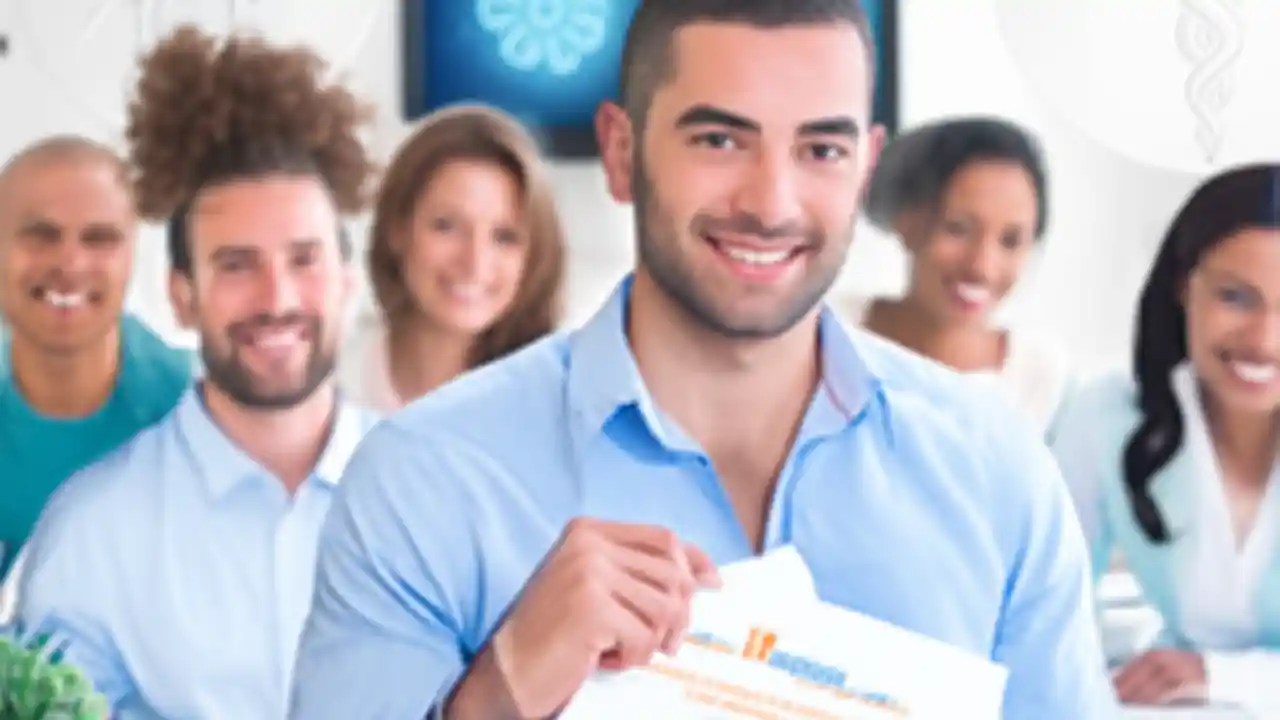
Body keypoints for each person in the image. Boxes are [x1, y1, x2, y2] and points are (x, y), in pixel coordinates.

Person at [290, 2, 1115, 719]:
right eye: (721, 139)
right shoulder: (423, 481)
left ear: (866, 164)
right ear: (620, 151)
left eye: (820, 150)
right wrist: (497, 695)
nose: (771, 203)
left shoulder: (999, 477)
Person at [15, 27, 379, 718]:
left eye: (303, 259)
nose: (277, 299)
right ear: (182, 294)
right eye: (237, 265)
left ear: (347, 281)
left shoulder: (441, 495)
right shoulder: (92, 535)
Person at [1052, 164, 1280, 714]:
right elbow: (1045, 598)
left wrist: (1219, 674)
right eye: (1235, 297)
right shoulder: (1106, 415)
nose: (1264, 340)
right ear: (1184, 287)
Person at [0, 136, 191, 578]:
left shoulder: (197, 414)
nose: (70, 262)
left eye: (99, 239)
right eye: (41, 236)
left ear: (131, 258)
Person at [838, 116, 1070, 436]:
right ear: (906, 221)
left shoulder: (1038, 374)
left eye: (1011, 241)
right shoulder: (829, 331)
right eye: (958, 229)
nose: (982, 267)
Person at [340, 104, 565, 411]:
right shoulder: (331, 384)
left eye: (504, 237)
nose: (475, 262)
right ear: (397, 229)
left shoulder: (562, 405)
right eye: (446, 226)